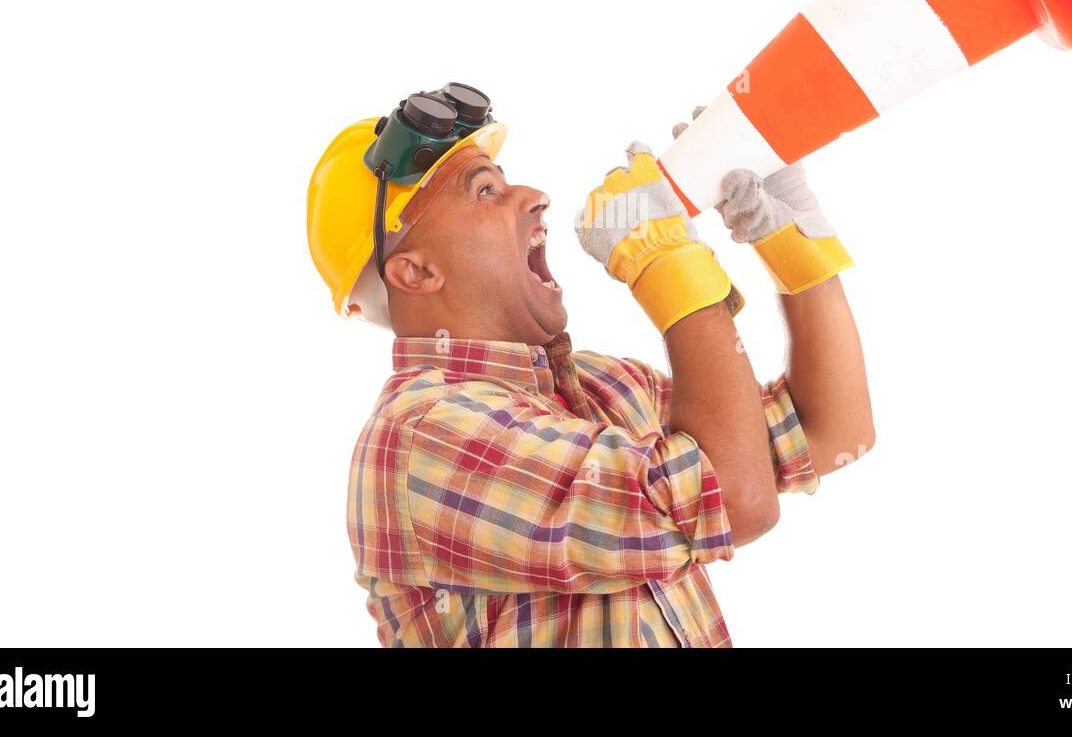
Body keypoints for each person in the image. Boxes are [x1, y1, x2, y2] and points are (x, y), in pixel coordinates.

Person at [306, 85, 875, 647]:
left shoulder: (604, 388)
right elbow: (735, 498)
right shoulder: (424, 435)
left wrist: (796, 242)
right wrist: (670, 269)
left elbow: (831, 430)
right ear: (417, 274)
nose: (533, 196)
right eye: (483, 190)